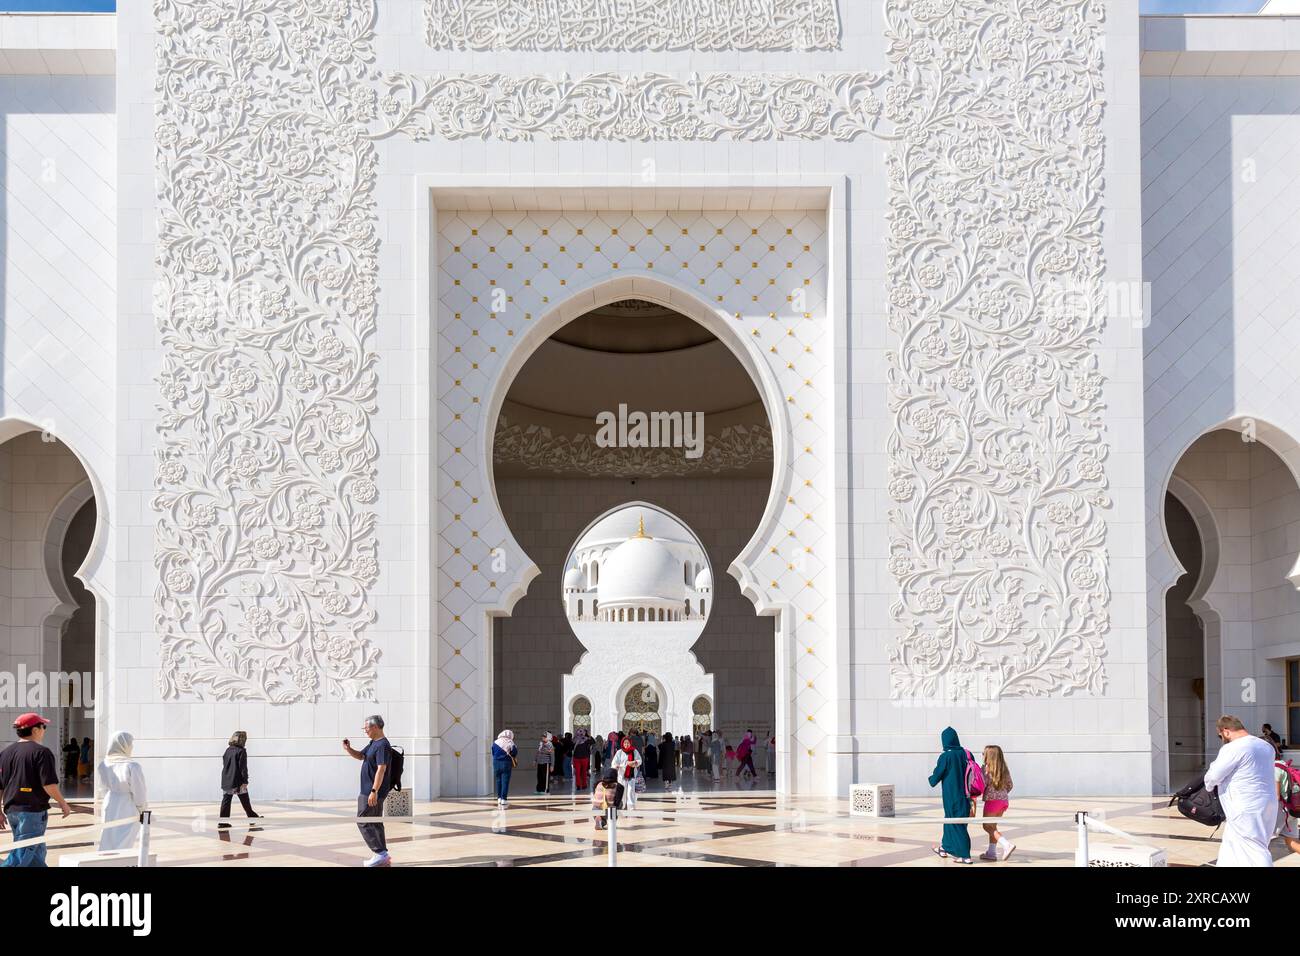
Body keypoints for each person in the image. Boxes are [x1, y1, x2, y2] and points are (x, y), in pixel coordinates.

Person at [1203, 715, 1277, 867]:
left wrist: (1208, 786)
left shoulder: (1234, 747)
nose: (1222, 739)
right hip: (1267, 804)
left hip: (1243, 807)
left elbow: (1214, 776)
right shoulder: (1266, 746)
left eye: (1220, 736)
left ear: (1226, 731)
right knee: (1233, 845)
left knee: (1254, 848)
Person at [0, 713, 72, 867]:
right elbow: (49, 785)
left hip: (12, 810)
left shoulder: (5, 753)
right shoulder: (41, 752)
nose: (44, 730)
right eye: (43, 726)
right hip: (31, 812)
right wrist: (63, 803)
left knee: (36, 851)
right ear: (35, 730)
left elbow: (0, 785)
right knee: (23, 853)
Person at [342, 714, 393, 867]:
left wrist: (374, 790)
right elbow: (361, 756)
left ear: (375, 727)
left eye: (366, 728)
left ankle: (380, 853)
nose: (365, 731)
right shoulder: (373, 743)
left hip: (371, 792)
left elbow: (381, 769)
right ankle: (382, 854)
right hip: (370, 790)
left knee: (362, 820)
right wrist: (348, 749)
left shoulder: (383, 745)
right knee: (375, 822)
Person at [927, 726, 973, 864]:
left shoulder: (946, 756)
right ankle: (945, 847)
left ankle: (965, 855)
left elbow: (936, 777)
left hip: (951, 796)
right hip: (967, 795)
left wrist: (931, 779)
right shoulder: (967, 753)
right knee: (954, 821)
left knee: (956, 823)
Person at [96, 731, 147, 852]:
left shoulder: (103, 764)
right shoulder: (132, 766)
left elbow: (102, 787)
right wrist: (142, 809)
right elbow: (139, 791)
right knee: (124, 839)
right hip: (127, 805)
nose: (132, 747)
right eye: (130, 743)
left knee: (108, 836)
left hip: (110, 802)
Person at [219, 730, 262, 828]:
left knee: (226, 801)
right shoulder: (241, 751)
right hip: (238, 781)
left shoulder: (228, 750)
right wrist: (245, 781)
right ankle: (253, 818)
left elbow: (225, 765)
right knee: (245, 801)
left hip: (226, 780)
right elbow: (243, 767)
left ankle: (222, 822)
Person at [979, 745, 1015, 861]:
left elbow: (981, 784)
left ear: (988, 756)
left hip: (992, 801)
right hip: (1003, 801)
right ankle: (991, 852)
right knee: (993, 827)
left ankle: (1006, 844)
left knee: (987, 826)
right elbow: (1010, 785)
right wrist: (1002, 794)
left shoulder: (986, 769)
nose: (982, 755)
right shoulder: (1004, 769)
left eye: (983, 754)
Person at [1274, 758, 1300, 855]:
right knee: (1291, 841)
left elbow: (1276, 796)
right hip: (1293, 808)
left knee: (1263, 840)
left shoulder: (1274, 768)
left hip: (1282, 810)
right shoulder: (1284, 765)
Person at [610, 736, 642, 810]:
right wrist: (617, 766)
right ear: (622, 743)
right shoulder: (619, 752)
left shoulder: (634, 751)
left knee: (631, 791)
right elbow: (614, 763)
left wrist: (635, 762)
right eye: (625, 743)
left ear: (630, 743)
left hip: (632, 774)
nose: (626, 745)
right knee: (622, 791)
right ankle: (623, 805)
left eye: (628, 743)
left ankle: (631, 806)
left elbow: (639, 760)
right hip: (622, 775)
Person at [492, 729, 518, 808]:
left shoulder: (495, 742)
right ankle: (504, 799)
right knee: (505, 782)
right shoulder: (510, 742)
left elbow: (493, 752)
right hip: (506, 763)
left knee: (498, 781)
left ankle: (499, 798)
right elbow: (514, 753)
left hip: (496, 763)